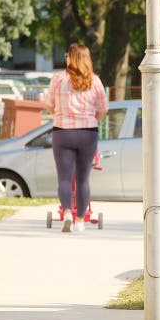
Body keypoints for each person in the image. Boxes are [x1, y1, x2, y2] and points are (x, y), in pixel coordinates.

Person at [45, 44, 108, 233]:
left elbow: (49, 105)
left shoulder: (58, 79)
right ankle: (80, 220)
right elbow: (103, 109)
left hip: (62, 132)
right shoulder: (95, 81)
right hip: (87, 133)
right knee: (83, 179)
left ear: (70, 58)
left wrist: (59, 114)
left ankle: (66, 213)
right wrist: (92, 120)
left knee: (64, 179)